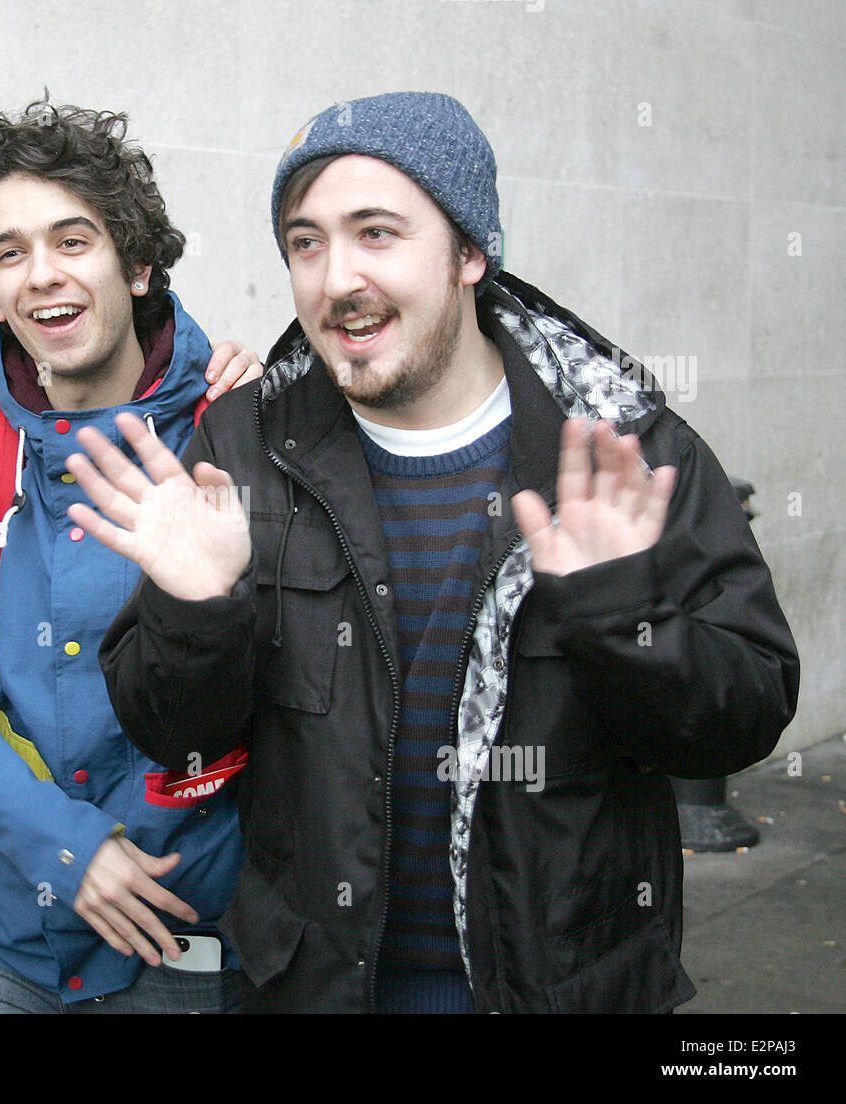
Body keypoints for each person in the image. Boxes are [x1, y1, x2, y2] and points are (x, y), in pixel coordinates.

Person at [71, 91, 801, 1013]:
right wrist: (195, 612)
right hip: (315, 988)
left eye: (377, 233)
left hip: (560, 988)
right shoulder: (242, 448)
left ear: (468, 251)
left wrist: (623, 617)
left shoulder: (624, 448)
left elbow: (744, 717)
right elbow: (175, 735)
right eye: (306, 242)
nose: (336, 278)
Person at [0, 100, 256, 1013]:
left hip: (190, 942)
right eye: (10, 254)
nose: (42, 276)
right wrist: (66, 848)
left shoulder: (240, 429)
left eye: (73, 241)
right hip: (9, 951)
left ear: (138, 262)